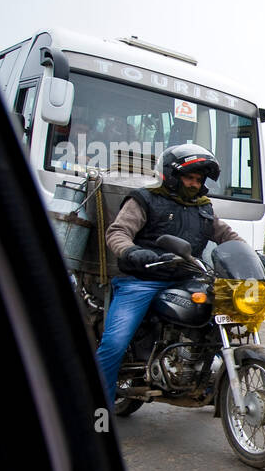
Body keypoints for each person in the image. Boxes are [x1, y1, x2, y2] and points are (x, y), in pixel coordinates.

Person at [96, 143, 243, 407]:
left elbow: (227, 236)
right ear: (171, 175)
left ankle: (204, 378)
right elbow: (117, 232)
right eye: (189, 177)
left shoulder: (203, 208)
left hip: (186, 278)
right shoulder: (144, 199)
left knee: (221, 321)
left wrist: (249, 254)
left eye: (199, 179)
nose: (195, 184)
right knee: (114, 344)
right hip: (142, 279)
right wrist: (132, 251)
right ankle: (99, 409)